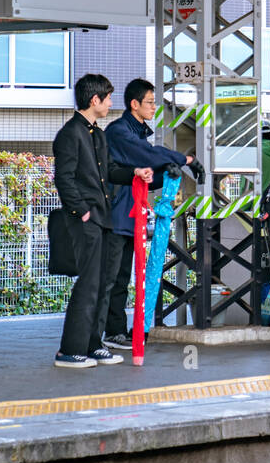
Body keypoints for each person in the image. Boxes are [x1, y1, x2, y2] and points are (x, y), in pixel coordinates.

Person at [52, 74, 152, 369]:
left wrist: (135, 172)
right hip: (86, 219)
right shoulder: (70, 134)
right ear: (94, 100)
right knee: (89, 282)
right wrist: (81, 211)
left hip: (102, 218)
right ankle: (70, 350)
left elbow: (108, 170)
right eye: (107, 98)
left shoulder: (98, 133)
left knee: (103, 281)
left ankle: (93, 344)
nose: (111, 103)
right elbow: (64, 179)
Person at [102, 78, 199, 349]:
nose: (154, 106)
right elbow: (148, 154)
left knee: (121, 277)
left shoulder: (135, 133)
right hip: (115, 215)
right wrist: (184, 160)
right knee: (113, 278)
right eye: (150, 102)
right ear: (134, 104)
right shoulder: (120, 132)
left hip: (129, 215)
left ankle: (116, 332)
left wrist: (167, 172)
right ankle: (109, 333)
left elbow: (145, 174)